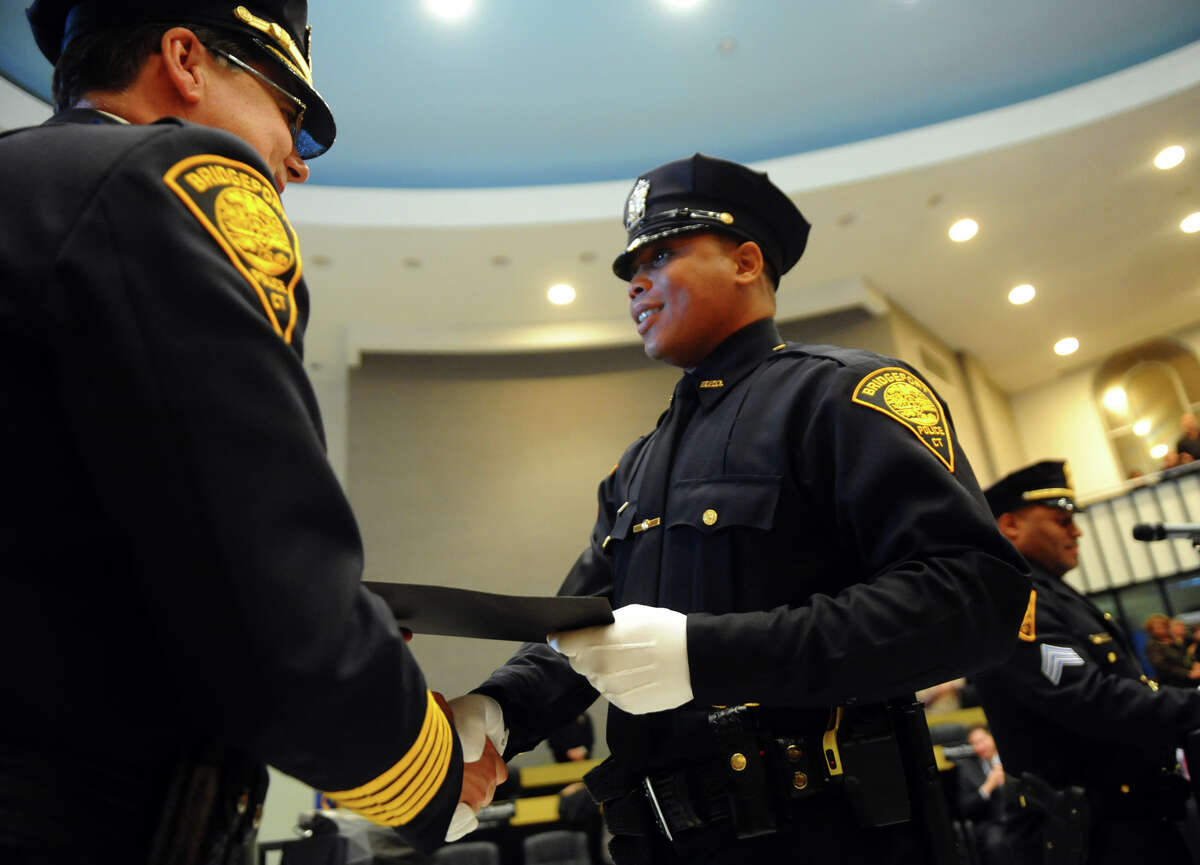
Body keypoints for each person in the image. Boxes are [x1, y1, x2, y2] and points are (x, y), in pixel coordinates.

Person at [1, 2, 502, 861]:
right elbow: (265, 593)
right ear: (186, 60)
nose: (295, 167)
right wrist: (430, 767)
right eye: (292, 120)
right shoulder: (169, 179)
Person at [450, 153, 1033, 864]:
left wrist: (705, 655)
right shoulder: (635, 466)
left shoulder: (841, 396)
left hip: (830, 837)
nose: (635, 281)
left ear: (747, 262)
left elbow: (976, 598)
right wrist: (496, 712)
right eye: (631, 266)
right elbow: (579, 633)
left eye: (661, 254)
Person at [972, 460, 1200, 864]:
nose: (1077, 530)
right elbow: (1093, 701)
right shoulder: (1013, 606)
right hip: (1094, 834)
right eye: (1062, 520)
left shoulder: (1057, 598)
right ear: (1010, 526)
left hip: (1136, 815)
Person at [955, 725, 1011, 865]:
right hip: (992, 822)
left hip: (1019, 814)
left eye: (982, 740)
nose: (979, 747)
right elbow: (965, 807)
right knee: (996, 843)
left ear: (992, 737)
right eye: (974, 744)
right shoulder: (967, 770)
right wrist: (987, 787)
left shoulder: (1010, 758)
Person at [1145, 614, 1200, 688]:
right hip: (1173, 683)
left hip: (1192, 679)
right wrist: (1187, 673)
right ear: (1151, 630)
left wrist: (1195, 664)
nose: (1161, 628)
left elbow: (1187, 655)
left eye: (1163, 625)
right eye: (1157, 627)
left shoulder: (1175, 639)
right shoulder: (1152, 646)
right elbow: (1163, 666)